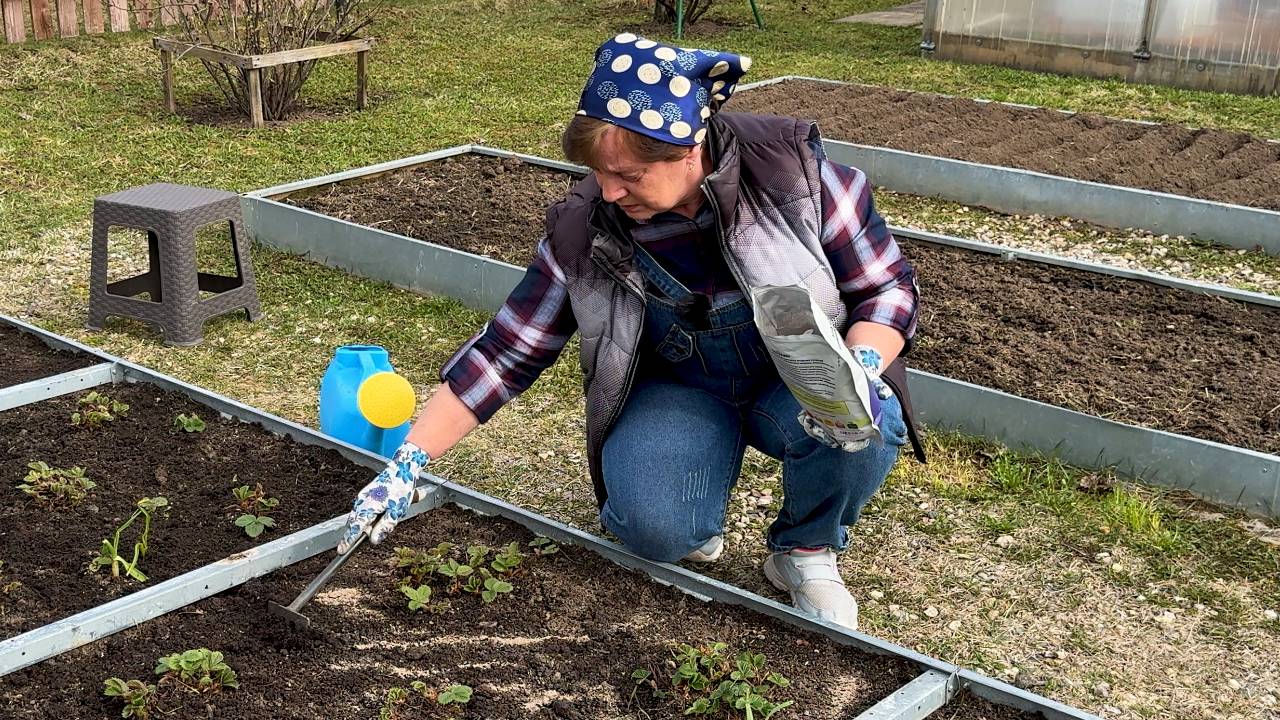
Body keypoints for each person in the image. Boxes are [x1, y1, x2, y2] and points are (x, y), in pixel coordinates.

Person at [338, 33, 925, 630]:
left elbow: (886, 290)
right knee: (653, 528)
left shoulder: (798, 179)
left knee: (867, 420)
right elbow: (509, 350)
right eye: (598, 173)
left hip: (796, 382)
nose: (611, 191)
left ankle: (805, 550)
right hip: (682, 386)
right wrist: (408, 461)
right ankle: (687, 512)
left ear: (689, 150)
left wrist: (861, 368)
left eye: (630, 175)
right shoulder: (585, 227)